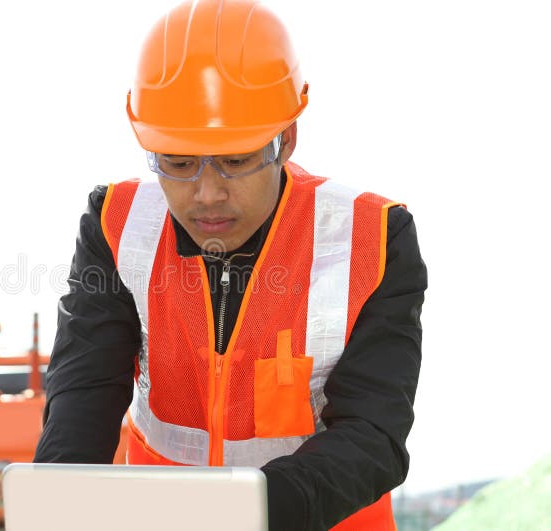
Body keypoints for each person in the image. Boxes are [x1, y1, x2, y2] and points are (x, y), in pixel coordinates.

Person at [33, 1, 427, 529]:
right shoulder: (116, 226)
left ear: (285, 140)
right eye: (178, 163)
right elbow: (84, 393)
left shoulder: (373, 239)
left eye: (236, 161)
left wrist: (245, 512)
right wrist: (58, 505)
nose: (207, 194)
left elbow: (374, 434)